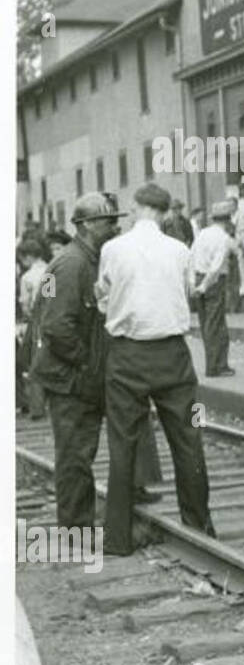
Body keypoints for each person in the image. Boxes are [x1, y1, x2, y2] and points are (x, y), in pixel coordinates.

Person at [32, 192, 164, 530]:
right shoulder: (72, 265)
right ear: (88, 225)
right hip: (69, 378)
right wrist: (88, 364)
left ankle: (118, 501)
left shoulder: (90, 259)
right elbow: (56, 328)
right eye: (109, 222)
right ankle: (76, 529)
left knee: (93, 446)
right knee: (76, 456)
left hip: (82, 373)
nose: (115, 227)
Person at [97, 183, 216, 557]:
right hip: (173, 355)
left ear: (135, 209)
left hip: (127, 355)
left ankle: (117, 538)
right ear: (165, 213)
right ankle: (199, 527)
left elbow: (103, 293)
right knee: (188, 438)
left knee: (122, 444)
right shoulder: (180, 249)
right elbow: (187, 290)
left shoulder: (112, 249)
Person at [190, 200, 236, 377]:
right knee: (216, 325)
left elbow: (191, 256)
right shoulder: (223, 238)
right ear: (227, 220)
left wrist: (194, 283)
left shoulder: (202, 234)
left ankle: (215, 364)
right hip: (213, 282)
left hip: (200, 276)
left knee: (206, 325)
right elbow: (216, 267)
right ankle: (216, 366)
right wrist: (204, 286)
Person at [17, 239, 49, 418]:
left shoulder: (27, 277)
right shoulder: (50, 270)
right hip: (50, 318)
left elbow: (25, 303)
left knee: (34, 364)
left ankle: (37, 408)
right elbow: (49, 297)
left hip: (36, 322)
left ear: (28, 257)